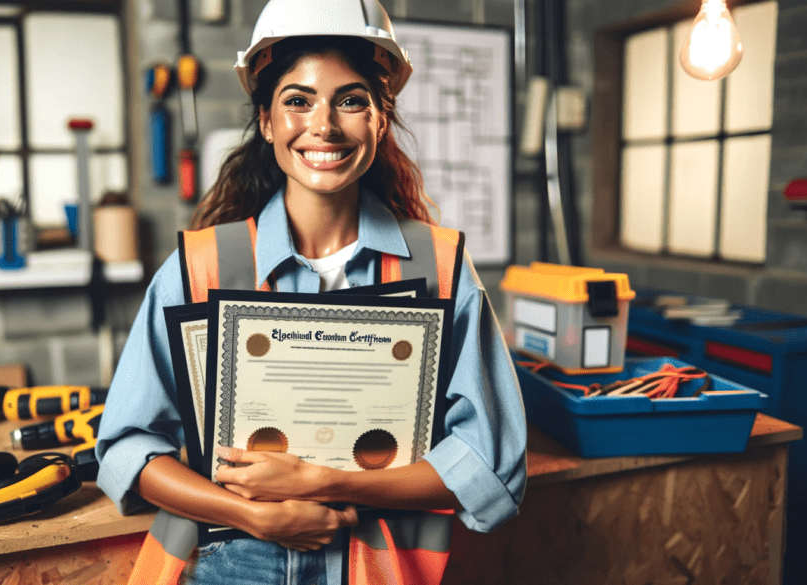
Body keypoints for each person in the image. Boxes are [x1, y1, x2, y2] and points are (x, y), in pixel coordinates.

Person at [95, 0, 527, 582]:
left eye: (351, 100)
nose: (323, 125)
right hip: (228, 564)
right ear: (268, 121)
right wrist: (251, 516)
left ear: (380, 118)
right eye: (297, 100)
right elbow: (127, 449)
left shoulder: (440, 268)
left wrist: (326, 482)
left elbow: (488, 463)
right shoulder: (201, 267)